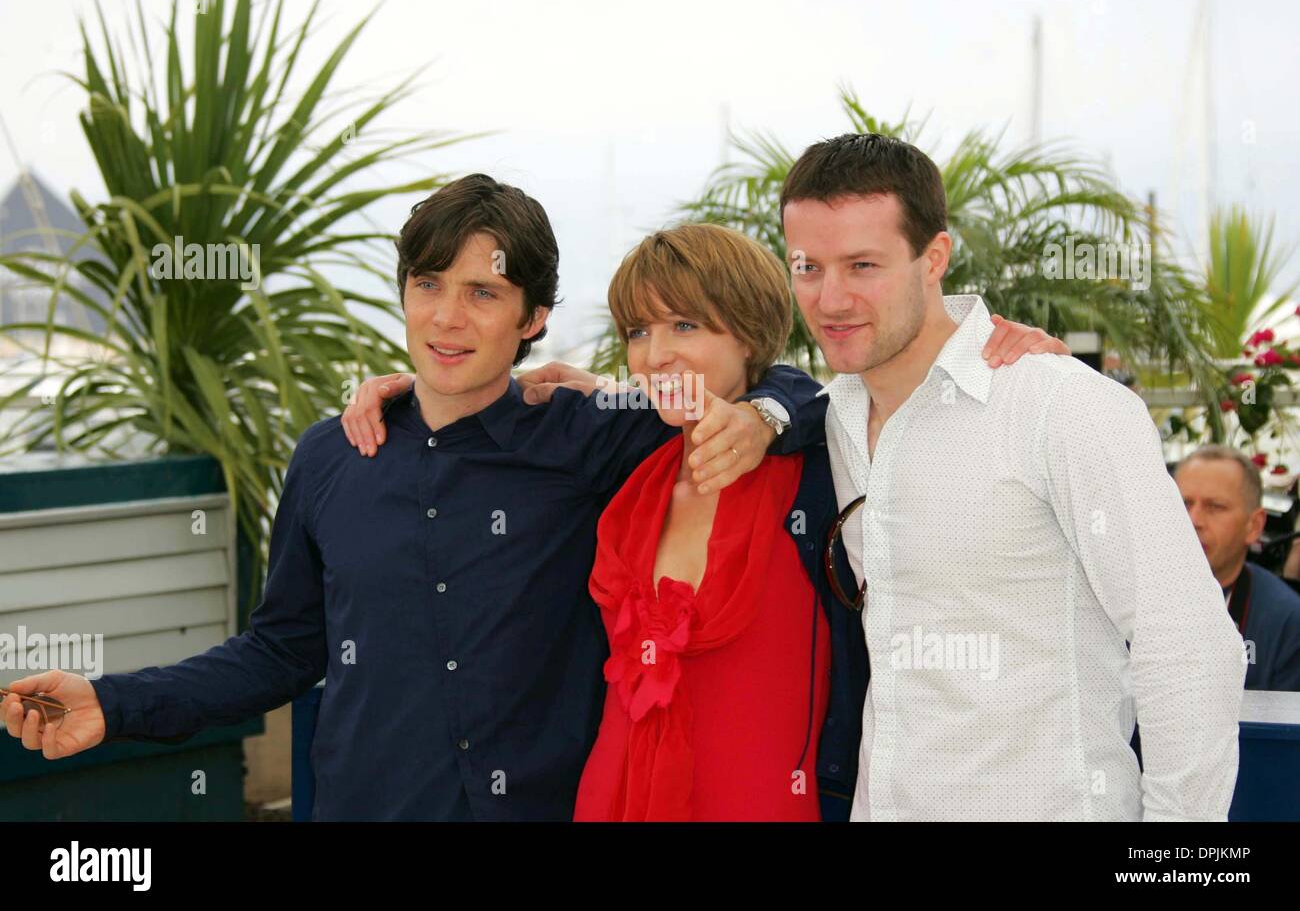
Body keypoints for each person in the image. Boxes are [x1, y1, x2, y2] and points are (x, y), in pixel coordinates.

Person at [2, 174, 825, 821]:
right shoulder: (332, 456)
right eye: (429, 284)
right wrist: (115, 703)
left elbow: (777, 373)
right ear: (401, 292)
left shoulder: (588, 434)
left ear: (533, 318)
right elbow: (282, 651)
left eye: (483, 293)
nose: (448, 318)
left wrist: (762, 416)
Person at [345, 230, 1067, 821]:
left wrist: (1000, 354)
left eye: (685, 325)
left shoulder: (824, 457)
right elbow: (485, 401)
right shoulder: (631, 460)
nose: (656, 354)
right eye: (638, 330)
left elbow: (838, 393)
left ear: (749, 334)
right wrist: (413, 388)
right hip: (617, 796)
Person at [780, 132, 1246, 821]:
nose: (831, 298)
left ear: (933, 257)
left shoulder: (1061, 406)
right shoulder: (836, 420)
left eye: (863, 264)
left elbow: (1187, 643)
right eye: (808, 267)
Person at [1175, 445, 1300, 691]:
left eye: (1215, 507)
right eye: (1184, 503)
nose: (1194, 520)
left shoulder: (1285, 621)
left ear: (1254, 526)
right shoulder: (1124, 604)